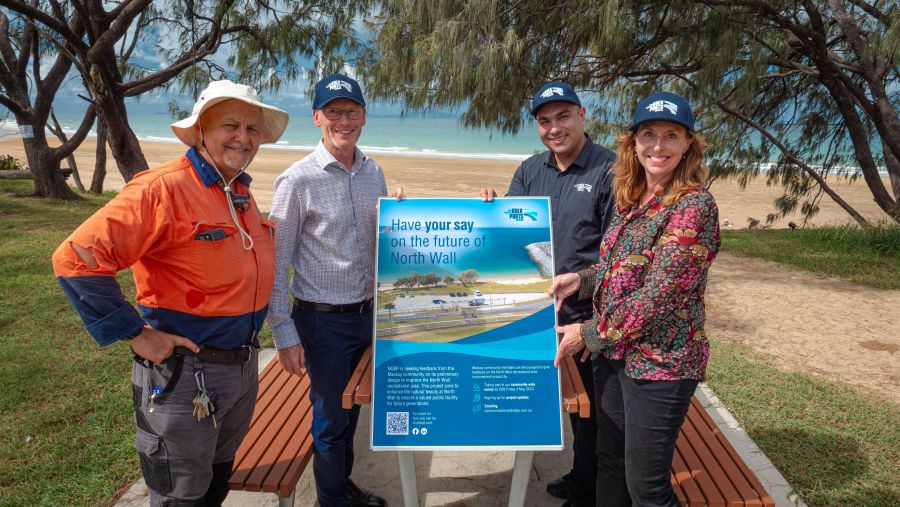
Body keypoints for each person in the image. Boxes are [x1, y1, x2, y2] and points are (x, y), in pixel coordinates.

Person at [52, 80, 287, 506]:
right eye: (230, 125)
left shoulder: (239, 193)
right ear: (200, 131)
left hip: (241, 368)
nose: (244, 137)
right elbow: (76, 259)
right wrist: (140, 335)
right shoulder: (162, 188)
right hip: (184, 376)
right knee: (179, 495)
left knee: (216, 483)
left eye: (253, 129)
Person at [549, 92, 720, 506]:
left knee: (647, 487)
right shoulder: (633, 197)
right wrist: (581, 280)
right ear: (634, 143)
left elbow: (659, 294)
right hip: (616, 357)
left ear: (687, 146)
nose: (657, 146)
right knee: (610, 464)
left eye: (670, 136)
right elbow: (623, 268)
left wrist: (588, 333)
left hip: (661, 366)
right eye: (648, 135)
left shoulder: (694, 206)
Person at [481, 81, 615, 507]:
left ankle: (587, 490)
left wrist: (587, 295)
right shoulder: (530, 170)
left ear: (581, 116)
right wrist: (487, 210)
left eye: (562, 117)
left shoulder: (610, 171)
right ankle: (581, 478)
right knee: (559, 403)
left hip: (590, 315)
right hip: (540, 313)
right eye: (544, 121)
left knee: (593, 411)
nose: (554, 128)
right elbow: (511, 235)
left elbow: (620, 256)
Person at [268, 73, 397, 507]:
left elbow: (379, 242)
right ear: (317, 117)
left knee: (352, 410)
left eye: (353, 111)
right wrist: (284, 335)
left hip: (367, 315)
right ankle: (333, 501)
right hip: (321, 322)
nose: (345, 119)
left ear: (364, 116)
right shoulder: (296, 181)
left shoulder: (373, 170)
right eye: (335, 111)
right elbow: (275, 263)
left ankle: (344, 488)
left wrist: (402, 217)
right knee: (328, 422)